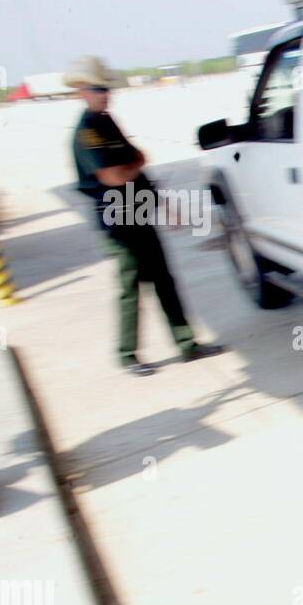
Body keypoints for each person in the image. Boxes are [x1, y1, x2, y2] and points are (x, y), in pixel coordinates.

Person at [65, 56, 223, 376]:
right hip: (117, 223)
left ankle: (186, 344)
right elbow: (112, 176)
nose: (105, 94)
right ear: (81, 90)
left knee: (164, 280)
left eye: (107, 88)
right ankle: (127, 354)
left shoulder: (107, 123)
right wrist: (133, 164)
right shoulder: (87, 133)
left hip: (137, 212)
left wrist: (161, 202)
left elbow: (135, 166)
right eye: (97, 89)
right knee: (130, 287)